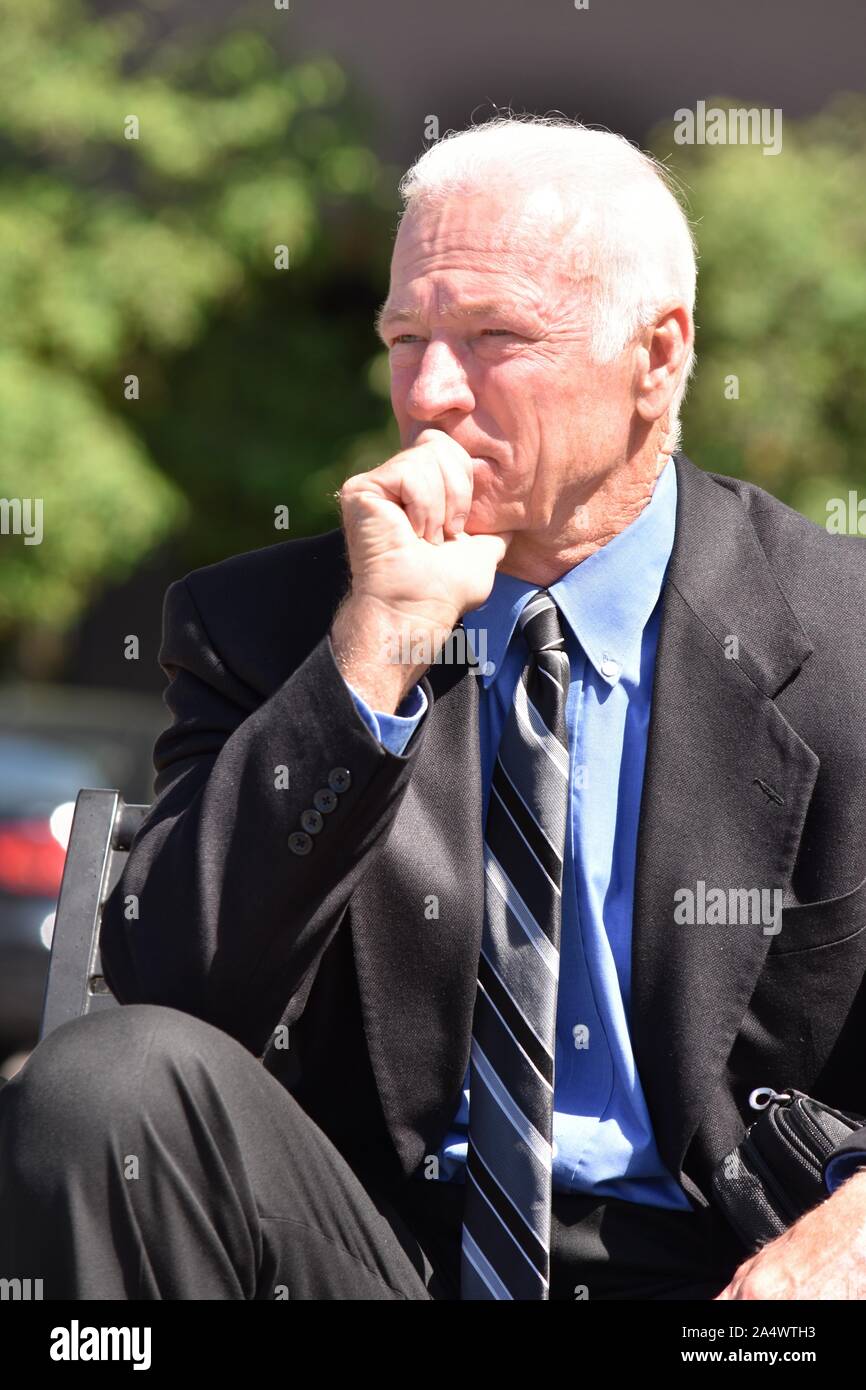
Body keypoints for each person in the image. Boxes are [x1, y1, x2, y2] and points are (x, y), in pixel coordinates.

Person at [2, 115, 866, 1301]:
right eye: (405, 337)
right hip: (383, 1263)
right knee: (107, 1080)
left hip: (732, 1280)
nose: (429, 392)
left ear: (656, 356)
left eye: (493, 336)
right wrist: (370, 657)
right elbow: (177, 1006)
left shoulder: (845, 634)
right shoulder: (272, 624)